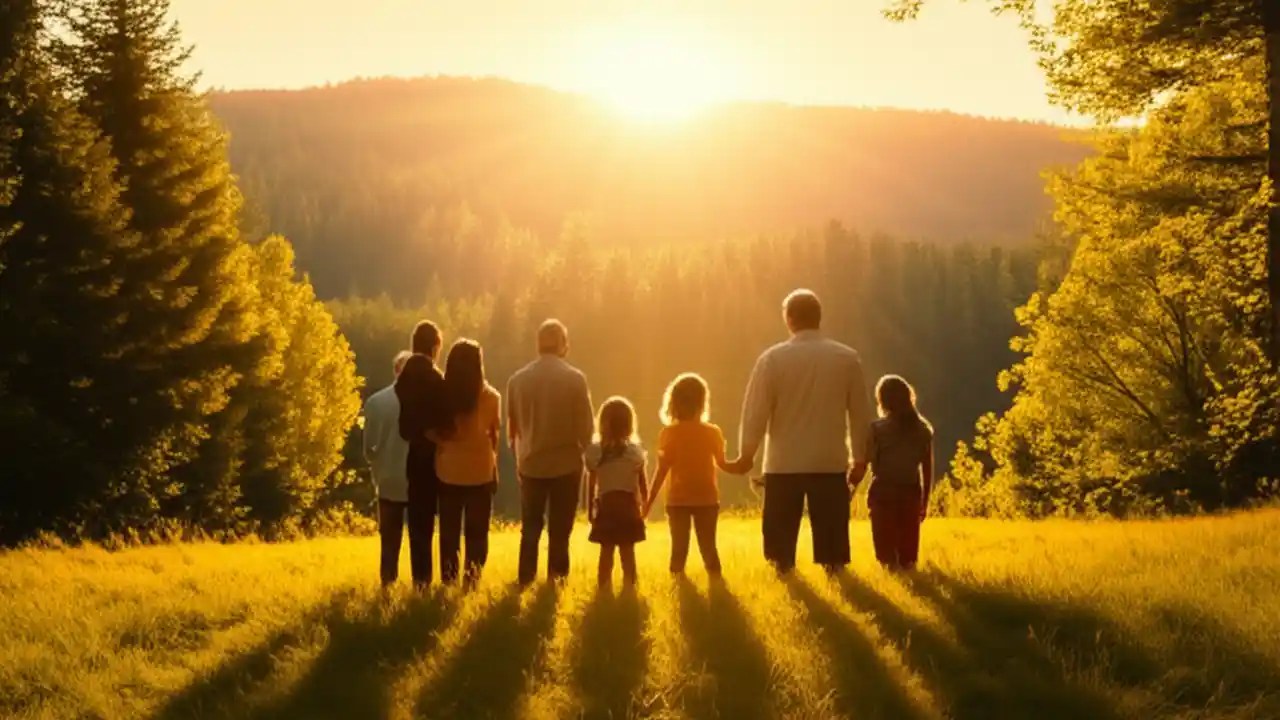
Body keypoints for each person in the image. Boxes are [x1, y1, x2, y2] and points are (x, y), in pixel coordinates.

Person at [738, 289, 872, 573]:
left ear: (789, 319)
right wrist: (860, 458)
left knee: (780, 547)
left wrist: (746, 454)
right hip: (829, 460)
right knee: (833, 544)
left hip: (783, 463)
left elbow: (755, 412)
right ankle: (836, 581)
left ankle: (785, 580)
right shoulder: (846, 358)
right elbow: (860, 414)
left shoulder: (772, 359)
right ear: (819, 318)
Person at [507, 319, 594, 585]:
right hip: (566, 465)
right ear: (563, 345)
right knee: (560, 531)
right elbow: (586, 428)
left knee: (530, 529)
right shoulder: (575, 379)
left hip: (531, 463)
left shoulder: (517, 380)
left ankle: (525, 580)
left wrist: (520, 458)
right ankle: (556, 582)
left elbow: (513, 429)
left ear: (538, 344)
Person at [646, 373, 744, 576]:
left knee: (678, 551)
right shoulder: (712, 432)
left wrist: (647, 503)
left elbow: (661, 471)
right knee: (709, 549)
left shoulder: (668, 433)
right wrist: (742, 465)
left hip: (677, 501)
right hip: (706, 499)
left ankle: (678, 591)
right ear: (702, 402)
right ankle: (717, 587)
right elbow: (723, 464)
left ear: (673, 402)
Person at [849, 375, 934, 570]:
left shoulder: (877, 429)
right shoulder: (923, 430)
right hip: (911, 492)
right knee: (908, 558)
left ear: (882, 401)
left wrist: (850, 489)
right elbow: (927, 469)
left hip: (883, 492)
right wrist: (924, 503)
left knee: (886, 556)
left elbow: (865, 463)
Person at [433, 339, 501, 585]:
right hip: (481, 471)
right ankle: (472, 581)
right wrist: (495, 468)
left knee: (449, 533)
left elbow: (431, 430)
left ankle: (448, 580)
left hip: (448, 471)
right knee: (477, 534)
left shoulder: (441, 395)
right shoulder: (491, 397)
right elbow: (494, 436)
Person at [395, 321, 449, 587]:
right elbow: (444, 420)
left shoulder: (403, 379)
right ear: (435, 346)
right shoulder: (435, 377)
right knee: (446, 520)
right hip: (436, 457)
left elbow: (405, 428)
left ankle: (421, 580)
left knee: (419, 524)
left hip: (413, 457)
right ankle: (447, 576)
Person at [585, 397, 648, 588]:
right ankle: (630, 587)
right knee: (628, 551)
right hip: (628, 505)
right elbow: (642, 482)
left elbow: (591, 483)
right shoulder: (635, 452)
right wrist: (644, 505)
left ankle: (603, 587)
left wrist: (590, 509)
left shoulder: (595, 452)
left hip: (607, 505)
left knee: (606, 551)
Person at [363, 350, 413, 586]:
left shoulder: (375, 402)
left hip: (387, 478)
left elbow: (368, 449)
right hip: (417, 479)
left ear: (395, 370)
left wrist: (377, 466)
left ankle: (388, 582)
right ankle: (420, 585)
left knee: (389, 539)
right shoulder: (423, 401)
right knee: (419, 538)